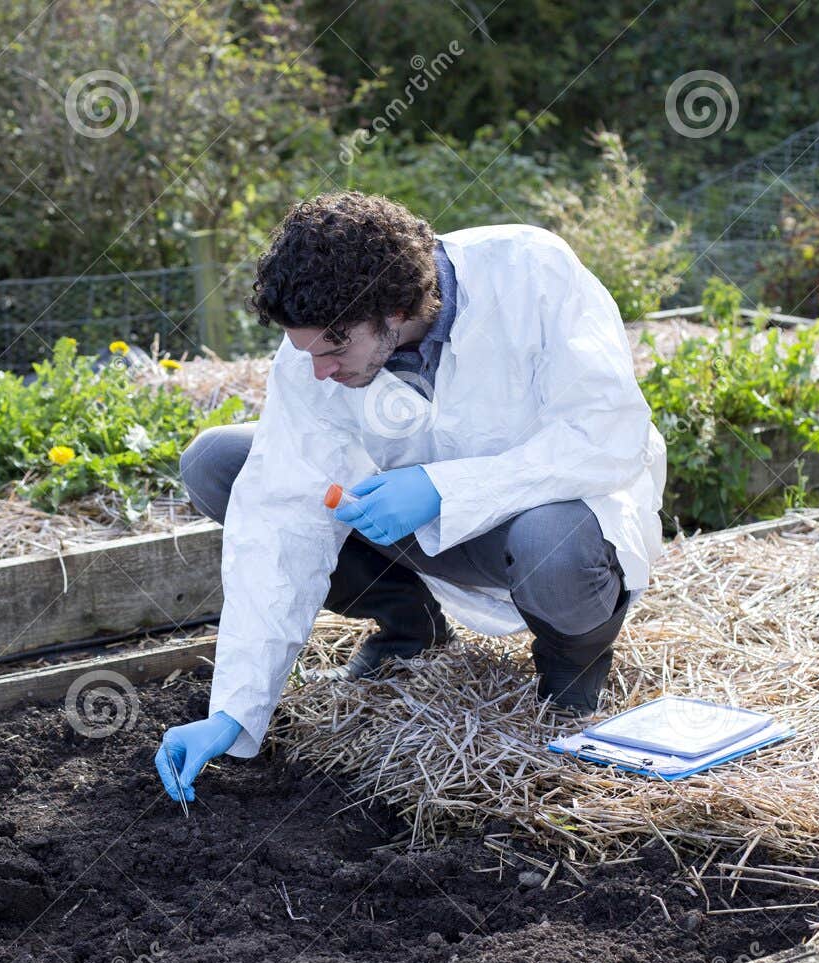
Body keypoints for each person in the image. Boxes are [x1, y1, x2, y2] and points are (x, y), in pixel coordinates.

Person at [153, 191, 666, 804]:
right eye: (307, 351)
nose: (320, 371)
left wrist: (444, 488)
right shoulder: (319, 355)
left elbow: (605, 437)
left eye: (334, 350)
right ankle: (408, 624)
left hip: (547, 519)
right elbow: (277, 523)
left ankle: (571, 663)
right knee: (223, 463)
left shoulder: (532, 273)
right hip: (411, 527)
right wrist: (234, 711)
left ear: (395, 307)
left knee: (550, 545)